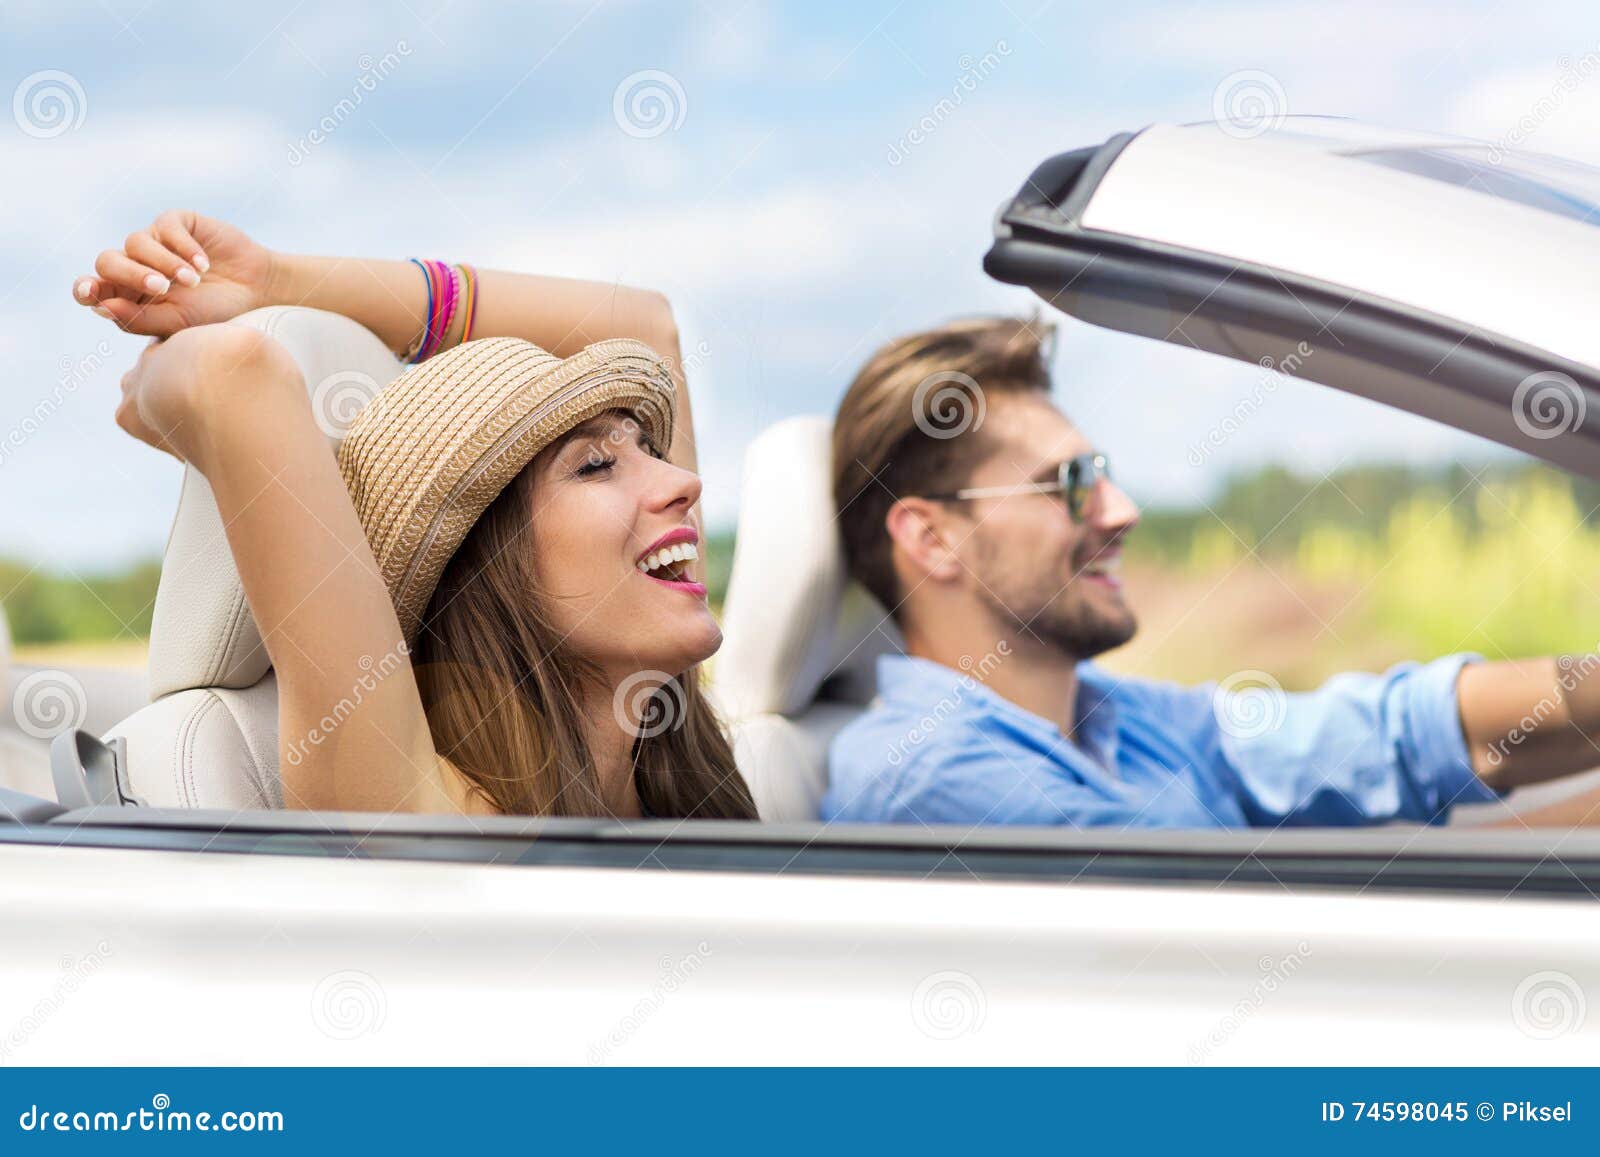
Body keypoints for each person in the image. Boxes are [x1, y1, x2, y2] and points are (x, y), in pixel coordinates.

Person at [77, 210, 756, 821]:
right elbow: (232, 370)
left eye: (650, 448)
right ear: (480, 562)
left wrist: (275, 276)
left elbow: (646, 324)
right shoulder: (434, 817)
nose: (684, 482)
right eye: (595, 465)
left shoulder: (678, 775)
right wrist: (159, 394)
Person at [824, 316, 1600, 829]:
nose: (1120, 510)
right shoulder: (928, 778)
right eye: (1069, 484)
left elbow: (1390, 735)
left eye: (1103, 474)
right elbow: (1236, 930)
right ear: (930, 538)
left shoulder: (1117, 721)